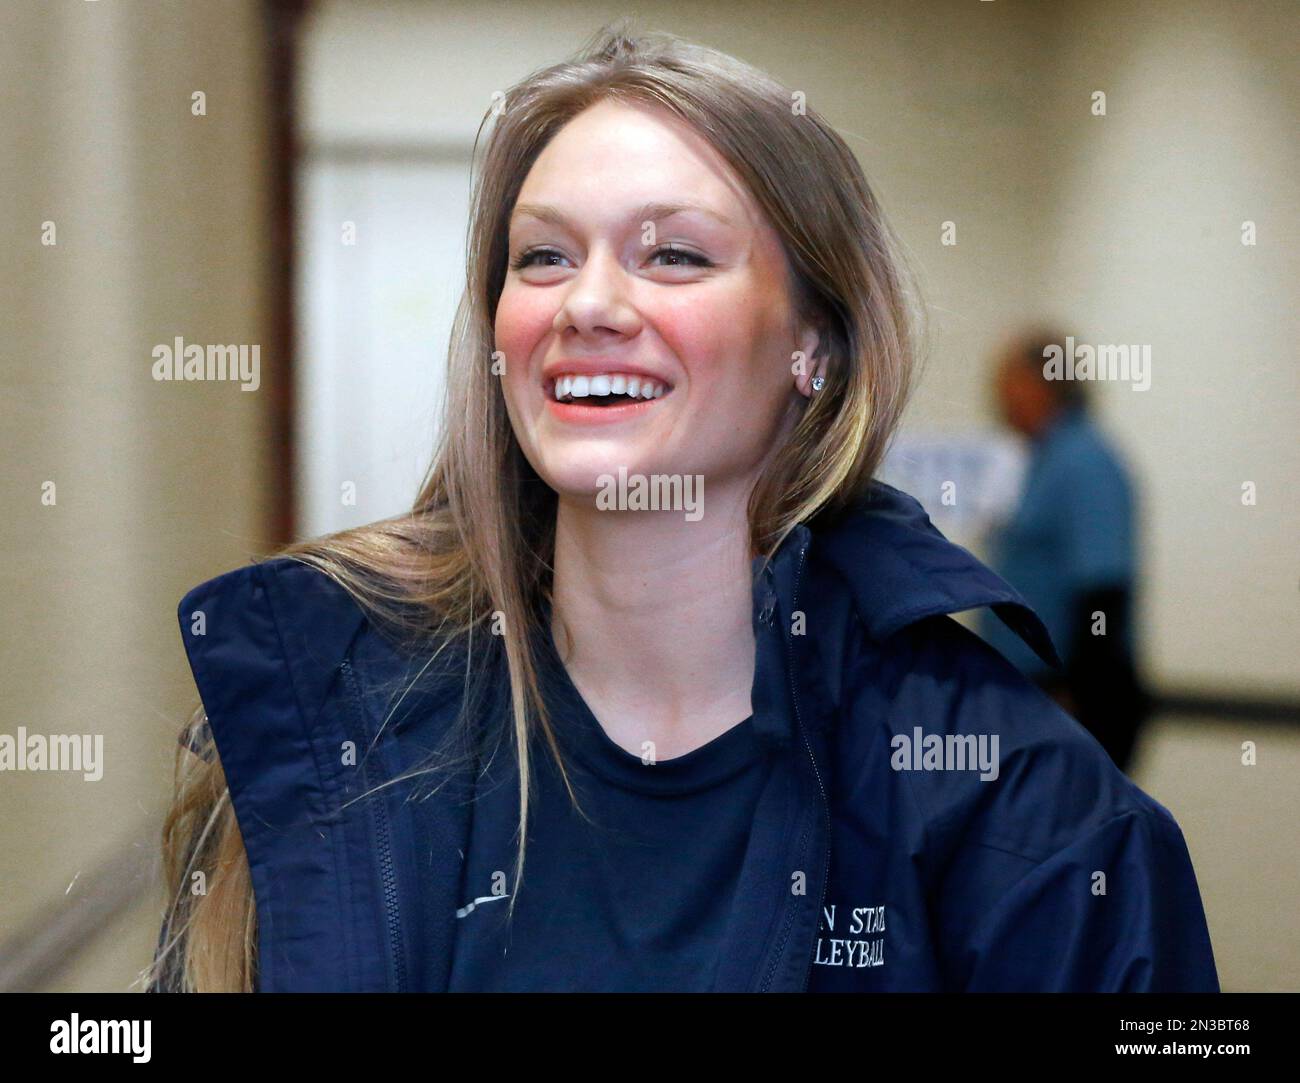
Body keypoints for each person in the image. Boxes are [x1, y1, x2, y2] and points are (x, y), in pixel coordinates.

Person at [144, 25, 1216, 993]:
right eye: (543, 257)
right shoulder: (329, 732)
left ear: (815, 346)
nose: (590, 304)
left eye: (674, 255)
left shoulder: (1030, 820)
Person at [982, 331, 1151, 773]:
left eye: (1008, 382)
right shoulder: (1041, 461)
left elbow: (1104, 590)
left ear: (1042, 385)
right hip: (1032, 692)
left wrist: (1078, 697)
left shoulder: (1085, 461)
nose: (997, 396)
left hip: (1075, 697)